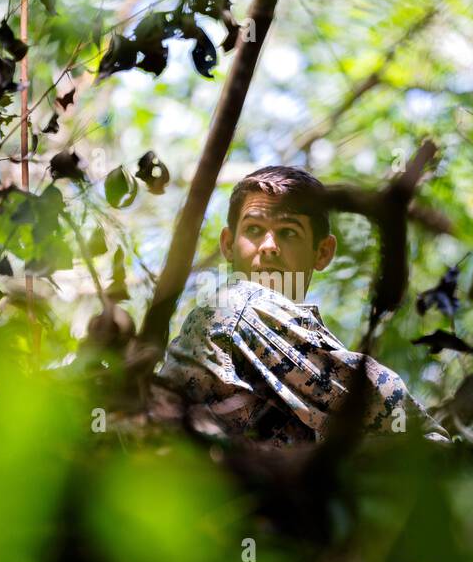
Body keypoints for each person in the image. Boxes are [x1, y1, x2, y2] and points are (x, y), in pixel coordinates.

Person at [153, 165, 445, 447]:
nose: (268, 246)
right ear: (228, 244)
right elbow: (394, 414)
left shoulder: (269, 334)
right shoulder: (236, 306)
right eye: (254, 229)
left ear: (323, 252)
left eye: (288, 232)